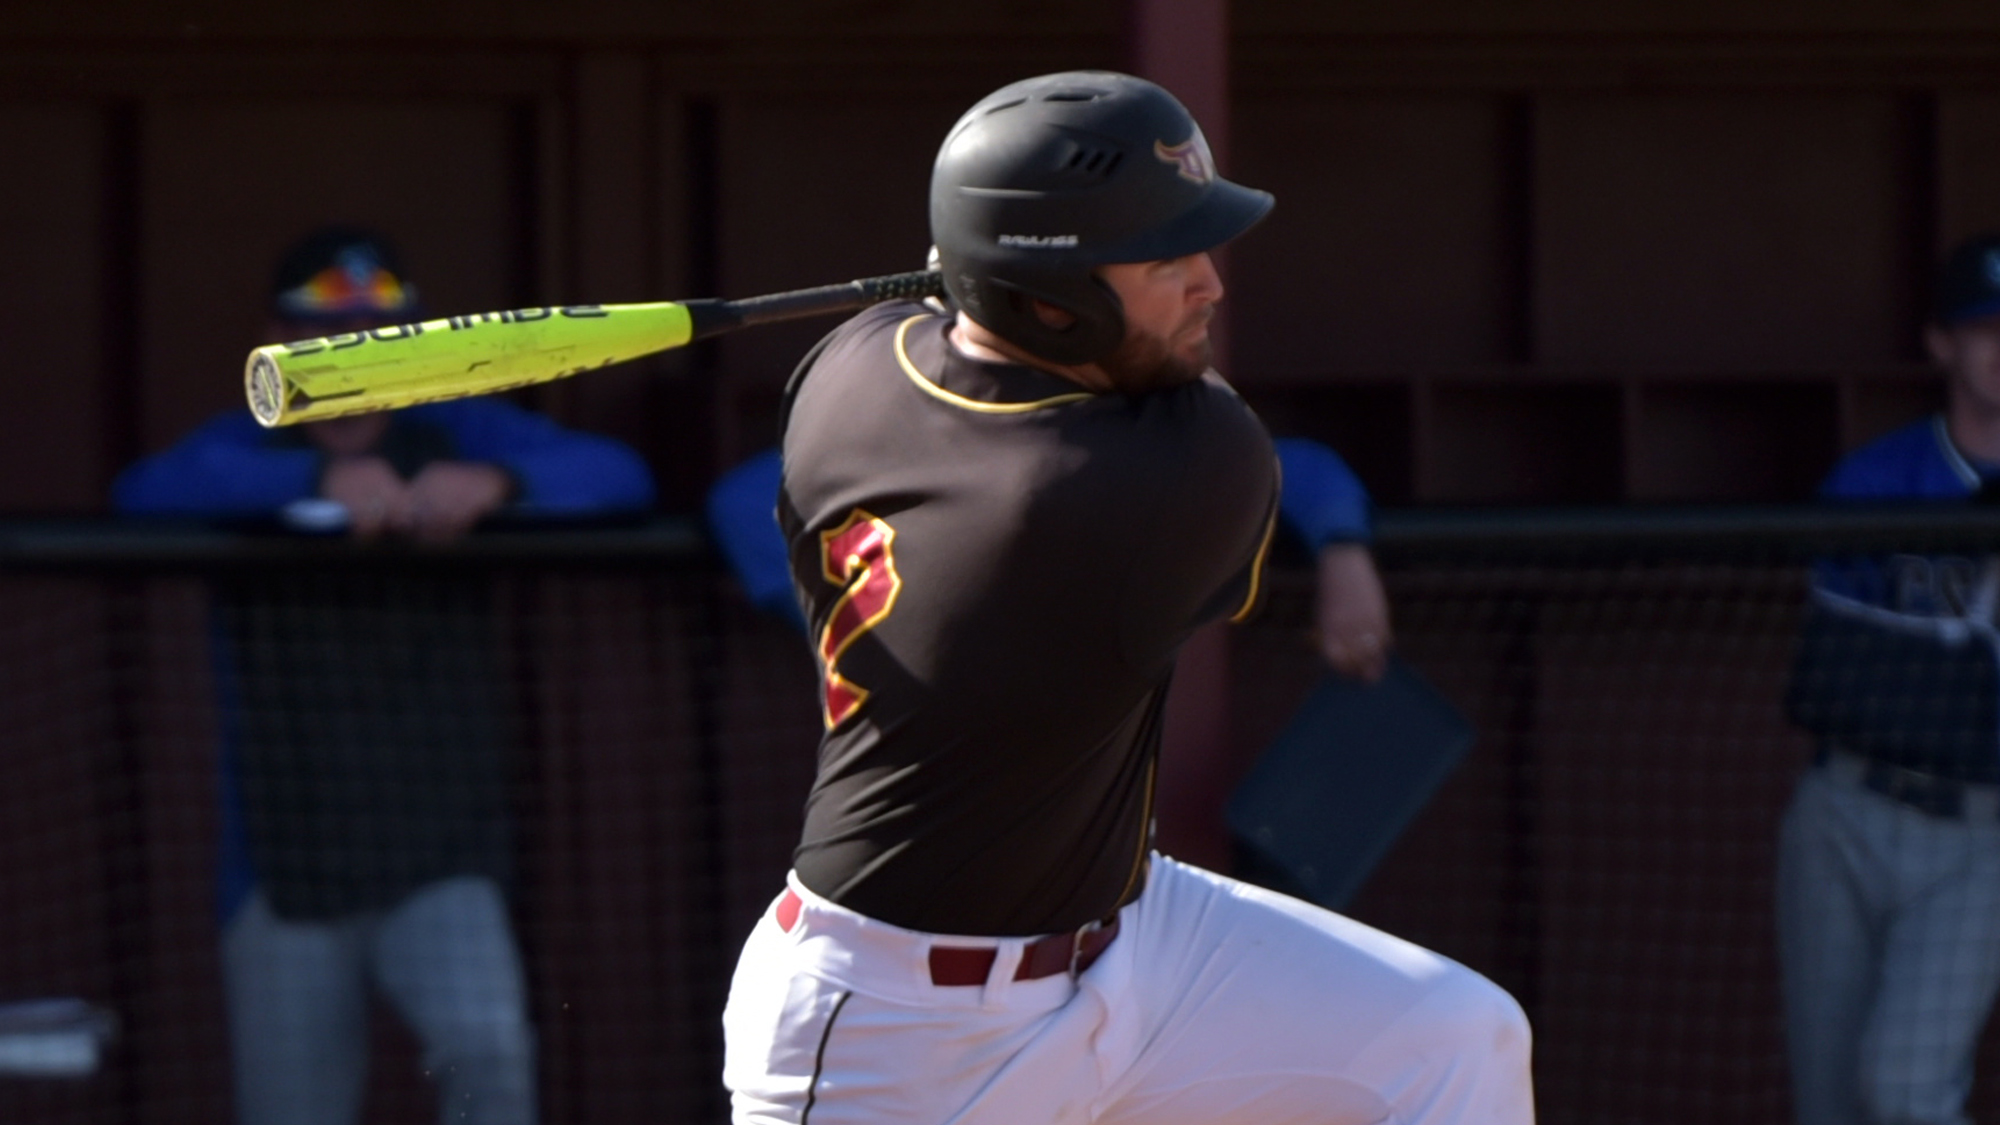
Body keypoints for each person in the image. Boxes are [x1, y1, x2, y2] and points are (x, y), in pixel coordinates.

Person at [719, 71, 1532, 1125]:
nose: (1210, 285)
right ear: (1050, 304)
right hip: (894, 1034)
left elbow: (955, 333)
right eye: (1164, 258)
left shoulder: (845, 372)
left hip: (1131, 936)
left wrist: (982, 269)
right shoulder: (1138, 487)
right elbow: (1208, 431)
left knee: (1453, 1040)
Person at [114, 226, 656, 1125]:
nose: (358, 352)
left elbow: (618, 474)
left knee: (488, 1051)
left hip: (442, 853)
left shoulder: (460, 429)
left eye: (385, 332)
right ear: (279, 338)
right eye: (330, 334)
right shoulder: (244, 448)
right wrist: (320, 483)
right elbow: (145, 494)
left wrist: (498, 482)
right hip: (282, 868)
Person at [1780, 233, 2000, 1125]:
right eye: (1984, 329)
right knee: (1832, 1105)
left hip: (1983, 829)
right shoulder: (1879, 476)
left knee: (1904, 1089)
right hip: (1846, 809)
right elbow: (1838, 676)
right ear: (1942, 342)